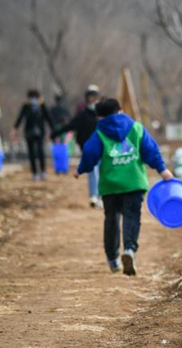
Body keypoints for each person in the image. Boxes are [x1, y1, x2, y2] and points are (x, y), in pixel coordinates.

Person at [74, 98, 173, 276]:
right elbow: (151, 150)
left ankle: (113, 259)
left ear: (99, 117)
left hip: (110, 185)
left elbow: (89, 153)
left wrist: (81, 169)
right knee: (132, 216)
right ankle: (129, 250)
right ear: (120, 110)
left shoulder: (99, 133)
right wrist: (163, 170)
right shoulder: (136, 128)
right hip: (134, 183)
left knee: (111, 219)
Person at [51, 89, 102, 208]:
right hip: (88, 148)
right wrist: (55, 134)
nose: (92, 102)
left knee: (101, 171)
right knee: (93, 171)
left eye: (94, 99)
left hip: (102, 148)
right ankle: (93, 195)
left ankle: (100, 196)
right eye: (90, 100)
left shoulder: (102, 116)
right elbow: (69, 126)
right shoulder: (82, 116)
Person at [12, 89, 55, 180]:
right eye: (32, 97)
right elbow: (20, 117)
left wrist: (53, 129)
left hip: (40, 131)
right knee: (31, 153)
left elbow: (48, 117)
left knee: (40, 151)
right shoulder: (26, 106)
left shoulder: (42, 105)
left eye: (34, 97)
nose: (33, 99)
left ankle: (42, 171)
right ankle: (35, 173)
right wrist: (15, 128)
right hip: (29, 132)